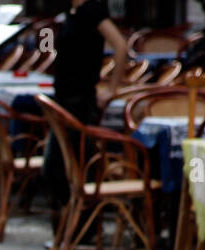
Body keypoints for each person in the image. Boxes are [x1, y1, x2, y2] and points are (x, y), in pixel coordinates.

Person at [43, 0, 126, 213]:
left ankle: (81, 227)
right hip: (64, 98)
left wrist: (112, 89)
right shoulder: (72, 11)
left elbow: (120, 45)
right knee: (56, 167)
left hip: (79, 100)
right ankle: (69, 224)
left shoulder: (92, 9)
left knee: (72, 165)